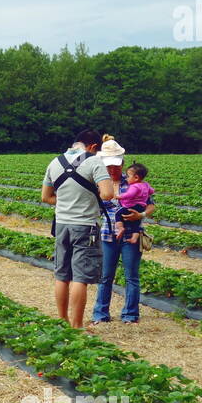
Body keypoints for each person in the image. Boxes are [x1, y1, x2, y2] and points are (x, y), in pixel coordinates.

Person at [41, 129, 115, 329]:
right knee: (80, 277)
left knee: (62, 275)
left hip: (61, 224)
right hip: (85, 226)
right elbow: (108, 194)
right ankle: (77, 326)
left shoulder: (55, 162)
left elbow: (46, 197)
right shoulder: (94, 162)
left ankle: (62, 320)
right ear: (92, 147)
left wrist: (67, 201)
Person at [93, 160, 156, 325]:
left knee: (131, 276)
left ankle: (130, 315)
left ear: (122, 164)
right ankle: (100, 314)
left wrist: (140, 216)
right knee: (105, 276)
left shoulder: (133, 181)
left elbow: (151, 205)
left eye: (116, 166)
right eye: (109, 167)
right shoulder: (100, 183)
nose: (112, 170)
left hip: (131, 235)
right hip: (107, 235)